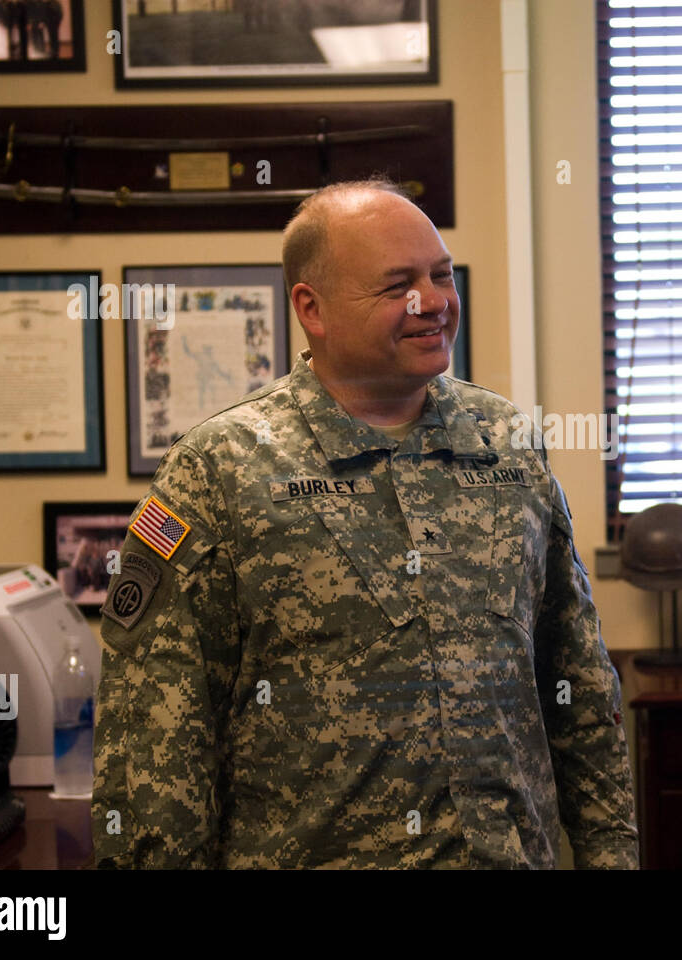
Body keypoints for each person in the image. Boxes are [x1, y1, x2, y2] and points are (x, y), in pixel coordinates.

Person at [92, 180, 638, 869]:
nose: (434, 301)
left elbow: (580, 688)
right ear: (311, 309)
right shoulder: (217, 473)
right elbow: (154, 741)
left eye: (441, 275)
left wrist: (611, 857)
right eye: (397, 286)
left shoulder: (507, 445)